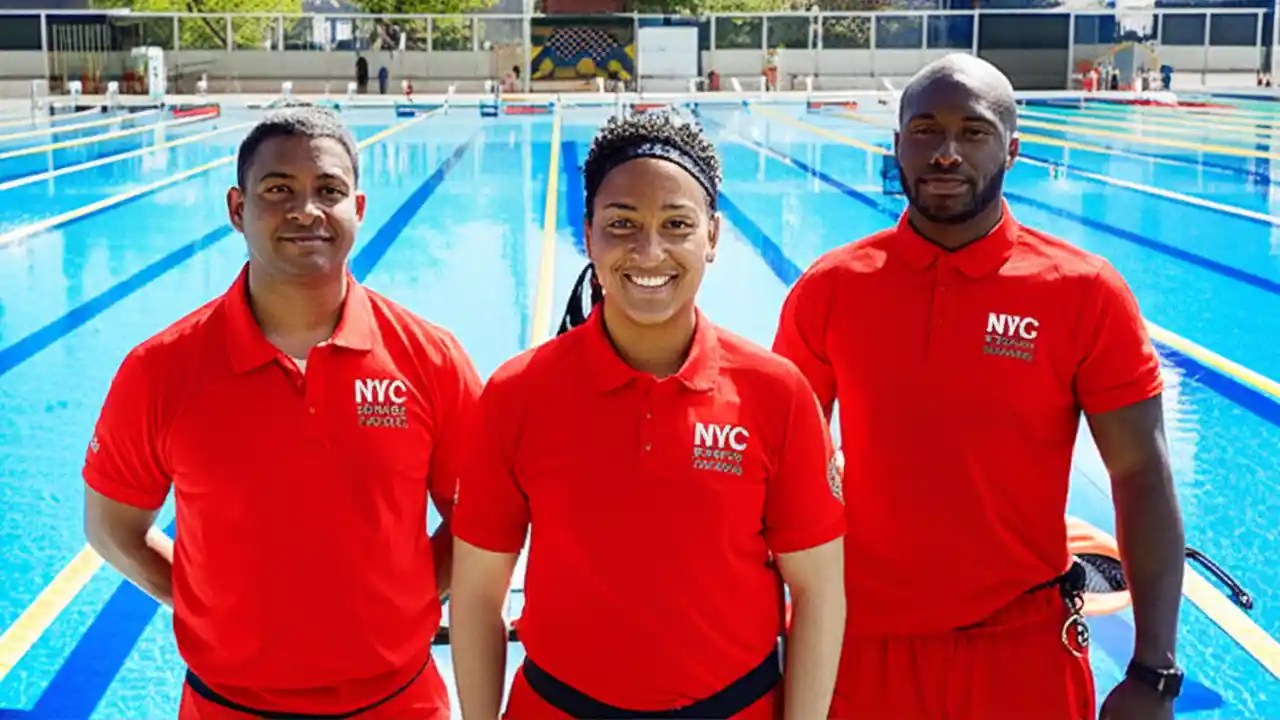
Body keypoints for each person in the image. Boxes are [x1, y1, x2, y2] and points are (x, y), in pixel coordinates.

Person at [772, 53, 1187, 720]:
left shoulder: (1082, 292)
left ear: (1013, 148)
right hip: (860, 645)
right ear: (897, 143)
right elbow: (779, 475)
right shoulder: (831, 289)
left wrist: (1154, 669)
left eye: (973, 131)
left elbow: (1140, 473)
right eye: (926, 130)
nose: (946, 152)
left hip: (1022, 652)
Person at [82, 106, 481, 719]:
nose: (306, 211)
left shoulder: (429, 359)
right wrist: (202, 605)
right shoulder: (161, 370)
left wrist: (413, 598)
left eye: (329, 190)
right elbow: (113, 528)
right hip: (227, 705)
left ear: (359, 209)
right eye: (278, 190)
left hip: (399, 702)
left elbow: (480, 518)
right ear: (238, 209)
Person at [449, 111, 847, 720]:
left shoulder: (774, 393)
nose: (649, 250)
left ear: (712, 236)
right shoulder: (518, 393)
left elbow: (818, 590)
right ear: (588, 234)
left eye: (677, 224)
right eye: (622, 224)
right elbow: (477, 595)